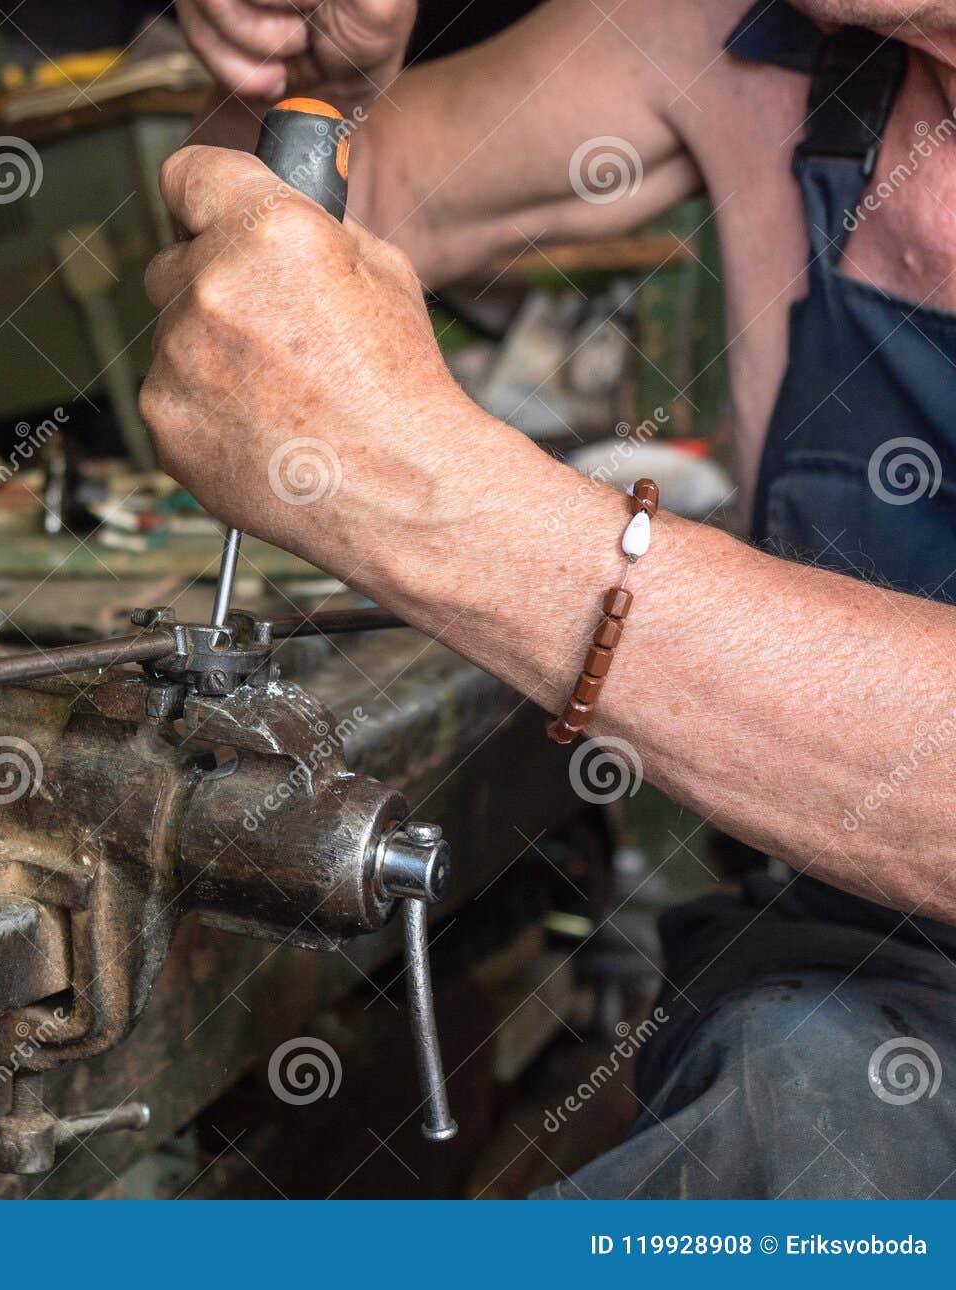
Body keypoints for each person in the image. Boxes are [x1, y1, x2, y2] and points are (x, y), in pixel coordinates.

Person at [140, 0, 956, 1197]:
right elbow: (323, 227)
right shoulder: (739, 34)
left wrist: (433, 496)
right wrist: (322, 88)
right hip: (852, 975)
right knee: (800, 1104)